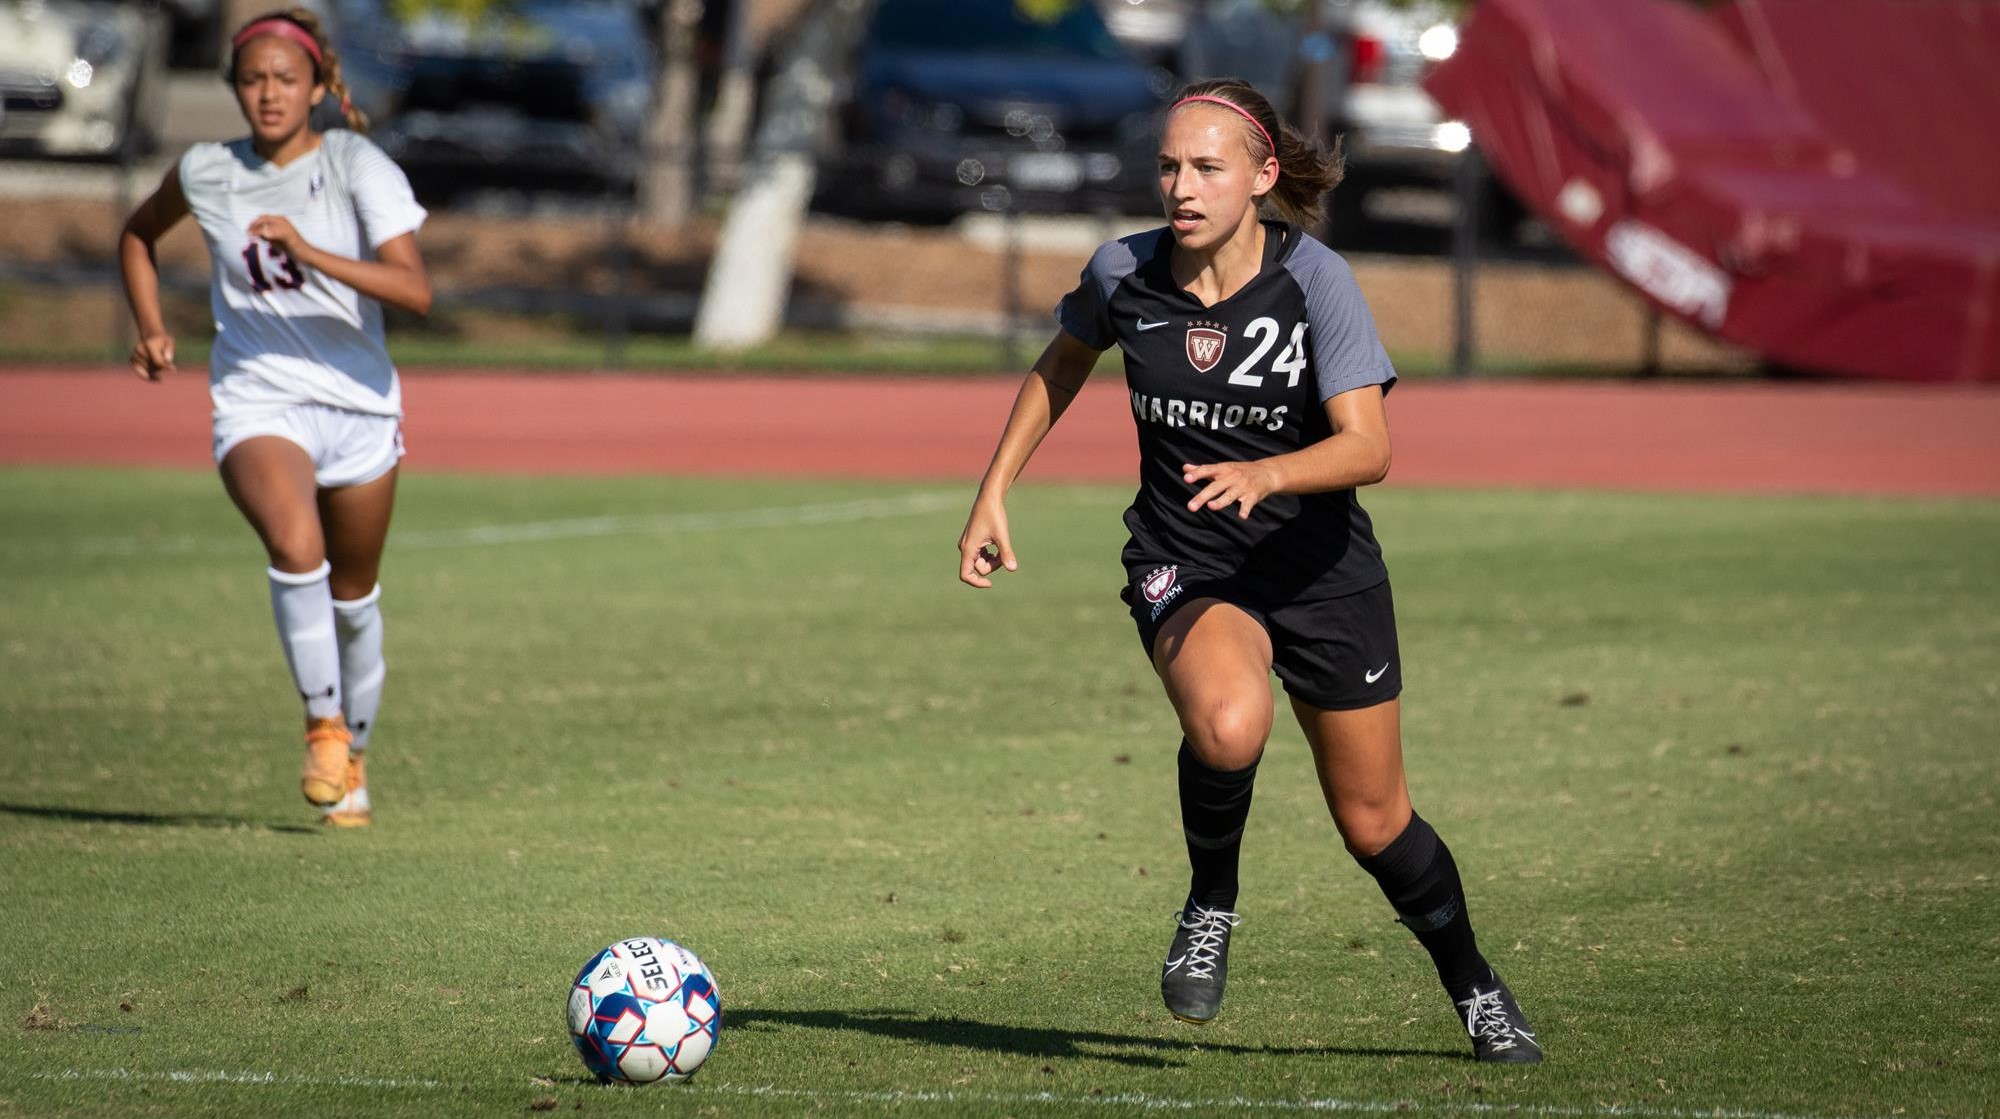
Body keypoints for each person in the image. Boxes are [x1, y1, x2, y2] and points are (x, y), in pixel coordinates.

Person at [955, 78, 1541, 1063]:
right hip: (1185, 562)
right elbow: (1059, 366)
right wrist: (992, 491)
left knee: (1373, 824)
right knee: (1229, 728)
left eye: (1205, 168)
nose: (1180, 187)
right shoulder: (1121, 272)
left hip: (1320, 572)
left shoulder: (1315, 282)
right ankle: (1210, 905)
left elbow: (1368, 448)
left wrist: (1269, 471)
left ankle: (1472, 984)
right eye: (1168, 167)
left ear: (1262, 177)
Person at [119, 8, 431, 827]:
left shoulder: (357, 163)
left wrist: (310, 250)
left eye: (285, 79)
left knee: (356, 600)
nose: (268, 94)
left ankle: (355, 757)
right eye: (253, 79)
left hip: (360, 407)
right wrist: (150, 327)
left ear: (319, 85)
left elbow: (415, 290)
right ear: (234, 87)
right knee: (299, 549)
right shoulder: (208, 169)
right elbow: (137, 235)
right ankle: (323, 727)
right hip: (258, 397)